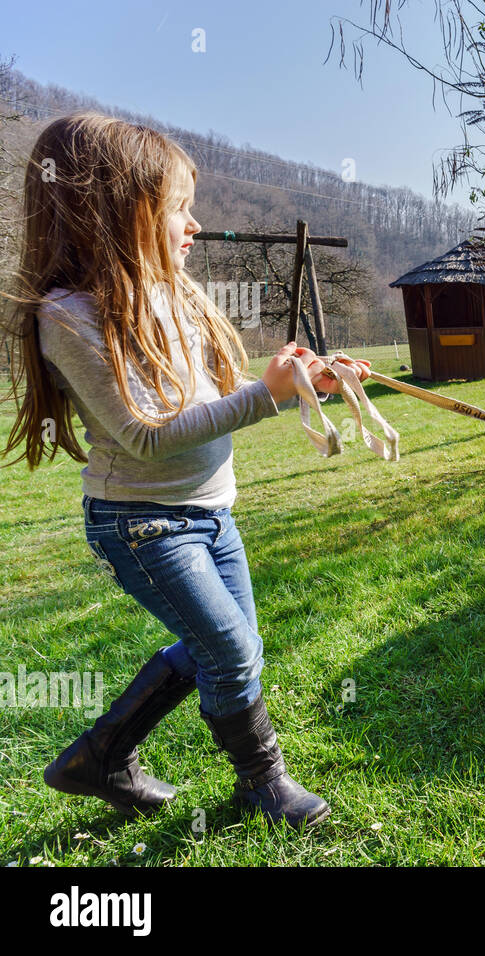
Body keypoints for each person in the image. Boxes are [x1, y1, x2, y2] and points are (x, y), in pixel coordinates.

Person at [2, 112, 369, 826]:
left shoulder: (175, 291)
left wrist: (306, 378)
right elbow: (144, 436)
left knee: (229, 646)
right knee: (228, 646)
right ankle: (264, 785)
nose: (195, 224)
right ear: (113, 210)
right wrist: (267, 398)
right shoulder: (69, 316)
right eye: (178, 209)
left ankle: (99, 757)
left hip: (210, 510)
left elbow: (202, 398)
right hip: (140, 525)